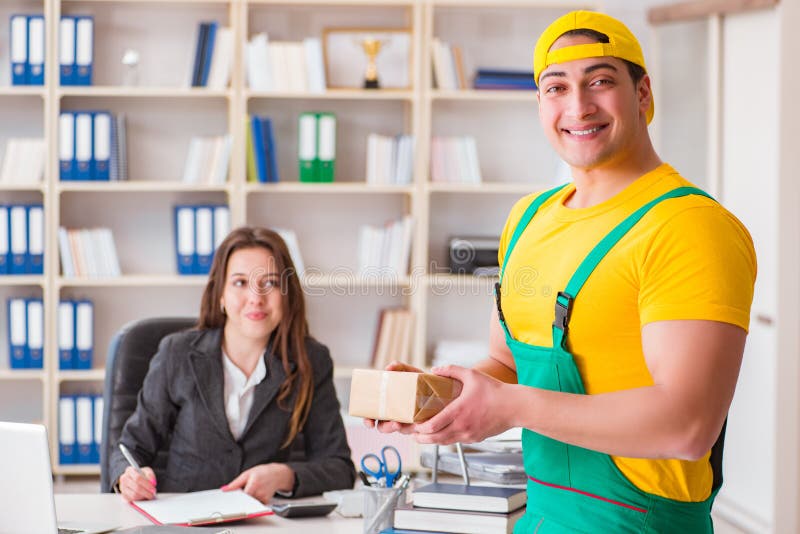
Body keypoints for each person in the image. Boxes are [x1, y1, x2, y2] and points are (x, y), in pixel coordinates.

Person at [371, 11, 756, 533]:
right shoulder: (527, 219)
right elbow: (507, 365)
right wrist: (435, 396)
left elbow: (687, 425)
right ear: (539, 104)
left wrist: (509, 408)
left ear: (642, 94)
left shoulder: (688, 227)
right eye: (557, 87)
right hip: (541, 520)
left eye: (600, 81)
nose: (578, 105)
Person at [109, 227, 355, 503]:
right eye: (240, 282)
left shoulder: (310, 360)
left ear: (287, 295)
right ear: (221, 295)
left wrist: (283, 475)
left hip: (263, 521)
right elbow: (128, 449)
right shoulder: (176, 353)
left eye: (271, 283)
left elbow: (339, 467)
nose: (256, 297)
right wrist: (127, 477)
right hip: (182, 517)